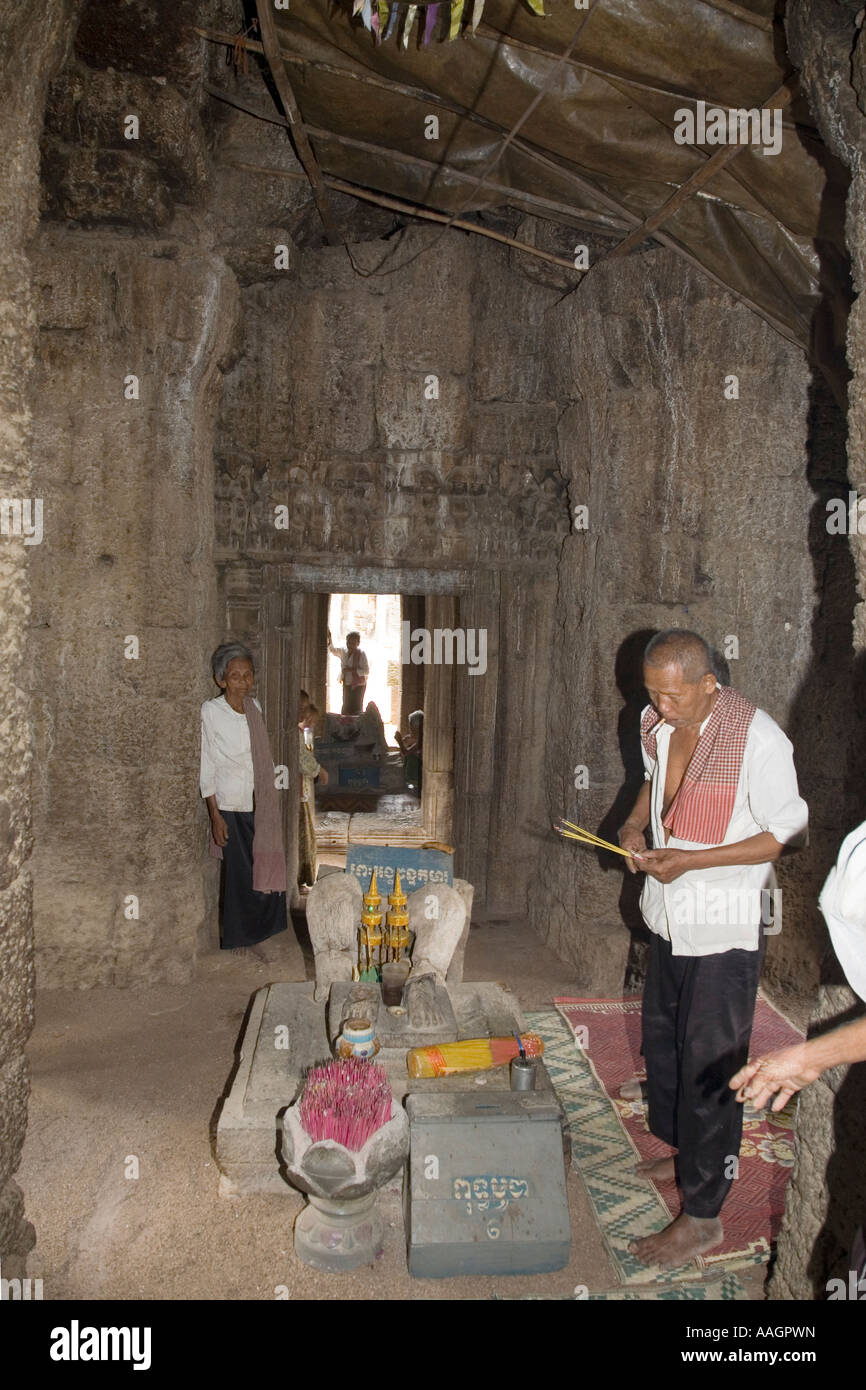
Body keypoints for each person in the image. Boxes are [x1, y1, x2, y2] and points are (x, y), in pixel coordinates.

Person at [617, 629, 808, 1268]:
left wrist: (695, 862)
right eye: (652, 694)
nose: (661, 707)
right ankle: (681, 1155)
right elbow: (654, 779)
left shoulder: (758, 740)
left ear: (707, 684)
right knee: (665, 1044)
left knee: (712, 1068)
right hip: (672, 920)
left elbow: (786, 834)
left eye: (673, 695)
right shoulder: (661, 724)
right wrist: (636, 820)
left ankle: (703, 1216)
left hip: (723, 928)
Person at [200, 642, 288, 959]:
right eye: (234, 675)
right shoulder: (211, 712)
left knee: (264, 864)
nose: (242, 681)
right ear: (221, 679)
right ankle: (242, 937)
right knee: (240, 874)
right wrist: (214, 815)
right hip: (230, 804)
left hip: (258, 802)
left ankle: (260, 931)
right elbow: (207, 762)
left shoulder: (255, 708)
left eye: (247, 675)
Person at [298, 695, 327, 889]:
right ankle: (303, 871)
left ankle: (306, 872)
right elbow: (304, 760)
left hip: (305, 790)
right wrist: (319, 770)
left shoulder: (303, 733)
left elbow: (308, 751)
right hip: (299, 790)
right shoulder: (295, 734)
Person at [328, 628, 369, 715]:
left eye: (353, 643)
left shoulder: (361, 654)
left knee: (357, 708)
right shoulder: (343, 651)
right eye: (348, 642)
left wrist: (351, 671)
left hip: (359, 685)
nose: (349, 645)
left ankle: (355, 728)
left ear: (358, 643)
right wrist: (330, 639)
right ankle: (345, 726)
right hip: (347, 683)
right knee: (346, 706)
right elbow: (333, 650)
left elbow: (366, 671)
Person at [396, 710, 423, 790]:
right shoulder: (415, 737)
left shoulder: (422, 739)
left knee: (411, 757)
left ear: (416, 727)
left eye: (410, 725)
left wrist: (400, 741)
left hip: (419, 771)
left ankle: (412, 782)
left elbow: (406, 752)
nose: (409, 727)